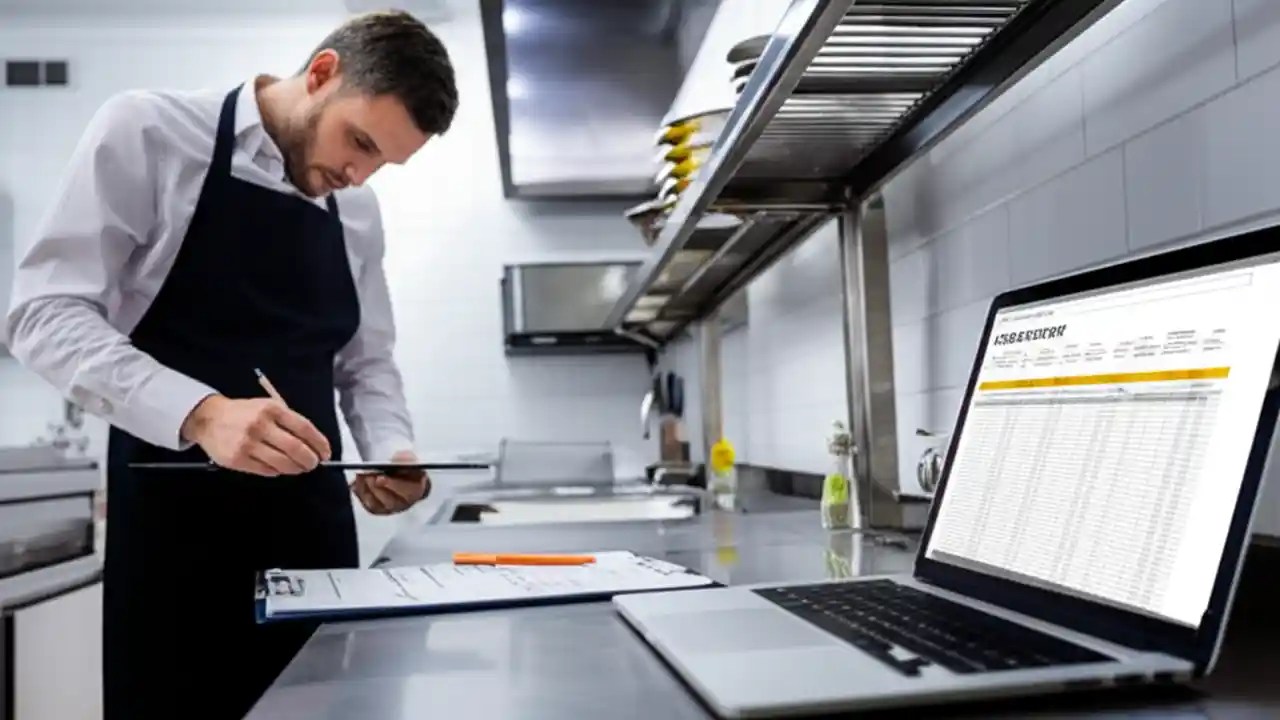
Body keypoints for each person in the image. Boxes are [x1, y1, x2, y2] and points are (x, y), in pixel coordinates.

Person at [4, 10, 458, 719]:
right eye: (359, 142)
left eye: (382, 165)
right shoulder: (149, 133)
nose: (357, 174)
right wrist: (204, 413)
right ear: (321, 74)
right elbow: (41, 313)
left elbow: (366, 362)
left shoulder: (358, 212)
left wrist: (390, 450)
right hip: (174, 539)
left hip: (314, 536)